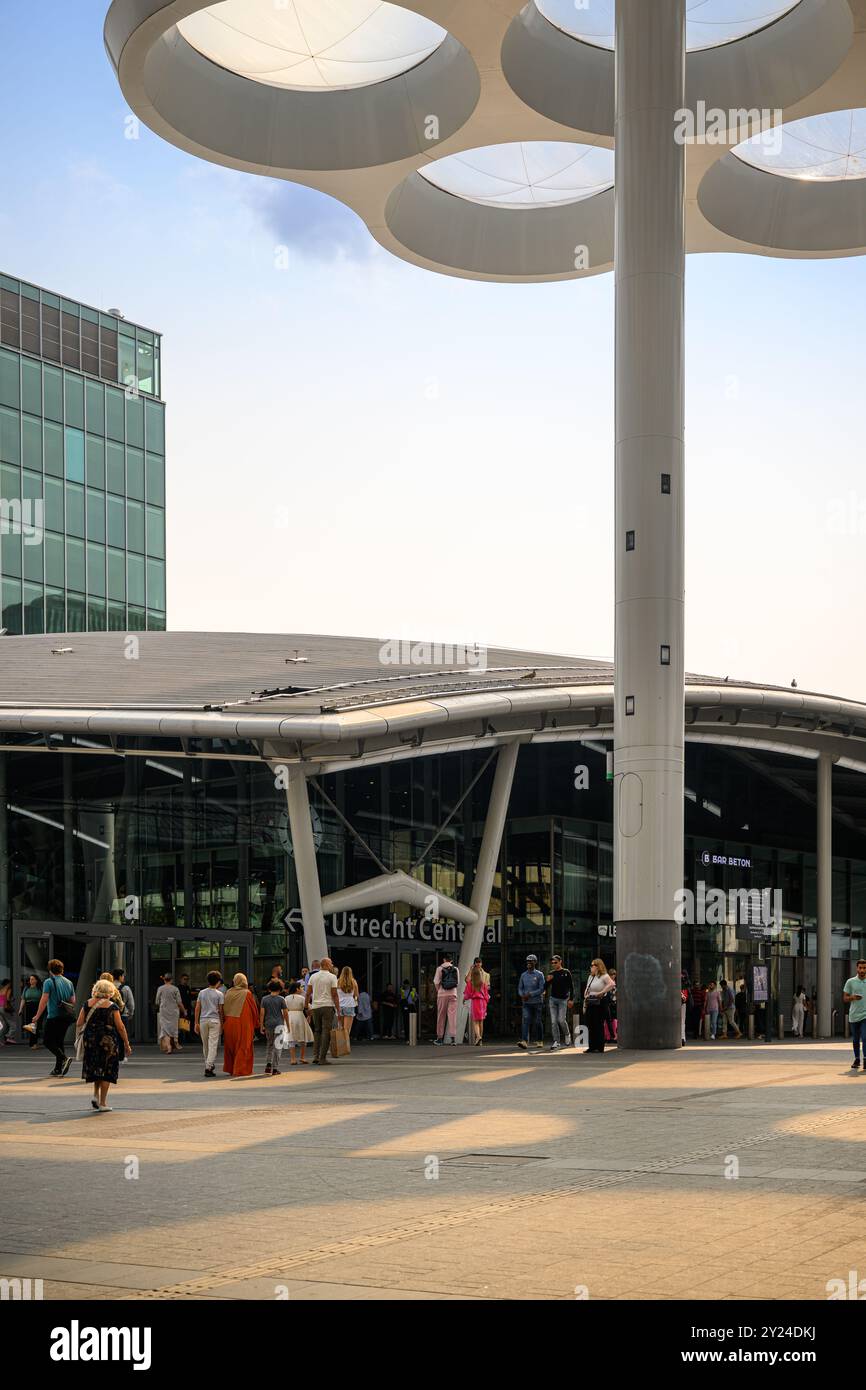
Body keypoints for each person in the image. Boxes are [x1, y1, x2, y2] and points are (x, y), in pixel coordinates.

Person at [76, 979, 132, 1112]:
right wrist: (126, 1043)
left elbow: (79, 1022)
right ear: (110, 991)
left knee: (96, 1067)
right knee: (107, 1070)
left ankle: (95, 1096)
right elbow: (120, 1027)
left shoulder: (87, 1004)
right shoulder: (112, 1006)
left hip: (90, 1040)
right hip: (108, 1042)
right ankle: (103, 1103)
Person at [27, 959, 76, 1076]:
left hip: (54, 1015)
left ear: (50, 970)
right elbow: (73, 1001)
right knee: (59, 1042)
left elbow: (44, 1000)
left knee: (47, 1041)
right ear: (62, 969)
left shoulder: (49, 982)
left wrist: (37, 1015)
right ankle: (58, 1069)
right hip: (66, 1016)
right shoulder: (69, 982)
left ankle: (63, 1058)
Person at [222, 973, 259, 1077]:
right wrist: (257, 1023)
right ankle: (240, 1070)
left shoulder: (228, 992)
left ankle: (230, 1068)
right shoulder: (247, 993)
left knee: (231, 1046)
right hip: (243, 1022)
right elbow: (253, 1009)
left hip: (229, 1022)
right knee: (243, 1045)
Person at [306, 957, 341, 1065]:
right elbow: (334, 994)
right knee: (326, 1031)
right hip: (327, 1006)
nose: (332, 965)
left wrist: (307, 1007)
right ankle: (322, 1058)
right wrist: (338, 1010)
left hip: (316, 1007)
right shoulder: (332, 977)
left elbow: (308, 993)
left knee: (317, 1031)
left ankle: (316, 1056)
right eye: (331, 963)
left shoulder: (313, 977)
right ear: (326, 964)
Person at [195, 970, 224, 1077]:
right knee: (213, 1045)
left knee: (205, 1045)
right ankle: (209, 1066)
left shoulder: (202, 993)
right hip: (215, 1021)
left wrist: (196, 1022)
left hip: (203, 1020)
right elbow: (220, 1010)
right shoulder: (220, 994)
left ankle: (208, 1065)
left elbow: (197, 1008)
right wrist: (222, 1023)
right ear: (218, 982)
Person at [583, 959, 615, 1054]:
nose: (591, 967)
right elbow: (587, 987)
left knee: (598, 1024)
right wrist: (586, 995)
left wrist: (602, 992)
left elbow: (612, 984)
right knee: (590, 1024)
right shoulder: (591, 977)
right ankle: (592, 1046)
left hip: (600, 1002)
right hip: (591, 1001)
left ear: (598, 966)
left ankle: (600, 1046)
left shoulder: (604, 976)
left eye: (592, 965)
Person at [260, 980, 290, 1076]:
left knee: (270, 1045)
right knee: (278, 1046)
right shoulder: (281, 999)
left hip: (268, 1024)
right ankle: (275, 1068)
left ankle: (268, 1064)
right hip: (279, 1024)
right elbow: (285, 1013)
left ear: (269, 988)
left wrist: (261, 1025)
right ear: (280, 989)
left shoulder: (264, 999)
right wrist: (288, 1025)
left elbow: (262, 1013)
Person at [517, 954, 546, 1051]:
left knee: (537, 1021)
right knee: (525, 1020)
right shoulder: (523, 975)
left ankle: (540, 1040)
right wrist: (522, 995)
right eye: (527, 961)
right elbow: (520, 988)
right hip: (526, 1003)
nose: (529, 963)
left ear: (535, 962)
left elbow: (542, 989)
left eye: (531, 961)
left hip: (537, 1002)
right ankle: (524, 1041)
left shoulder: (539, 974)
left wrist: (530, 994)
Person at [545, 955, 573, 1051]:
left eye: (555, 962)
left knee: (561, 1020)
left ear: (560, 962)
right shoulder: (551, 973)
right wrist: (547, 981)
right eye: (552, 963)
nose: (553, 964)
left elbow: (571, 986)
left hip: (563, 1000)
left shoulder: (566, 972)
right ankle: (556, 1041)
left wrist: (571, 999)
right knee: (553, 1022)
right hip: (553, 999)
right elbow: (546, 986)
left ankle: (567, 1034)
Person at [843, 959, 866, 1071]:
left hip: (865, 1016)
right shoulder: (850, 982)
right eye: (860, 968)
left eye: (864, 968)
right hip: (854, 1016)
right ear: (857, 968)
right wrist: (853, 997)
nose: (862, 970)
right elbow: (845, 998)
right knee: (856, 1039)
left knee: (865, 1037)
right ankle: (857, 1059)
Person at [433, 953, 460, 1046]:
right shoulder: (456, 969)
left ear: (444, 960)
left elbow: (436, 982)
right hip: (453, 994)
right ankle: (453, 1039)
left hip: (442, 994)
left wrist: (439, 990)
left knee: (441, 1016)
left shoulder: (439, 969)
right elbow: (458, 982)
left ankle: (440, 1038)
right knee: (452, 1016)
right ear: (451, 960)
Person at [155, 973, 185, 1053]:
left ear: (164, 980)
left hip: (164, 1011)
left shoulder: (160, 988)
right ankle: (175, 1040)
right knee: (174, 1028)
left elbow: (157, 1001)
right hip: (174, 1011)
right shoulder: (175, 989)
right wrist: (184, 1010)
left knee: (165, 1029)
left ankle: (168, 1047)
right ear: (171, 980)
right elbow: (179, 1002)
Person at [283, 981, 312, 1064]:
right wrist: (309, 1016)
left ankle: (293, 1059)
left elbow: (284, 1010)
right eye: (300, 987)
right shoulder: (302, 998)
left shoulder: (286, 998)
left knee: (291, 1037)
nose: (301, 989)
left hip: (290, 1016)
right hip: (300, 1016)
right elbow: (308, 1008)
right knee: (303, 1036)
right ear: (297, 989)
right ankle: (302, 1057)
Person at [463, 964, 489, 1046]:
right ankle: (480, 1040)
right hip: (482, 1003)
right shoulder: (483, 984)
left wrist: (464, 999)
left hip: (475, 1002)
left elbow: (467, 995)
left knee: (475, 1022)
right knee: (481, 1021)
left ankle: (478, 1036)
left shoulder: (470, 984)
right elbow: (486, 995)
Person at [19, 974, 43, 1048]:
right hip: (28, 1007)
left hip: (37, 1006)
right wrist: (20, 1009)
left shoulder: (40, 988)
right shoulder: (26, 988)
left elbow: (44, 999)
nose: (30, 981)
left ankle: (34, 1043)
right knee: (30, 1025)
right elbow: (23, 999)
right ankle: (33, 1042)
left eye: (32, 979)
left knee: (35, 1025)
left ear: (36, 980)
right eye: (30, 979)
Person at [337, 967, 359, 1039]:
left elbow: (334, 994)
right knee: (347, 1030)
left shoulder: (337, 981)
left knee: (340, 1028)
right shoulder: (353, 982)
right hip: (349, 1005)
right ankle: (345, 1047)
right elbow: (356, 995)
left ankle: (340, 1046)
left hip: (339, 1006)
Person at [0, 979, 16, 1044]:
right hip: (4, 1008)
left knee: (4, 1025)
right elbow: (8, 999)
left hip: (0, 1008)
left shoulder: (0, 990)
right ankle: (9, 1037)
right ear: (8, 984)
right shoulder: (8, 990)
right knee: (13, 1025)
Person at [605, 967, 618, 1044]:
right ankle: (608, 1036)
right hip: (608, 1003)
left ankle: (614, 1036)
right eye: (611, 974)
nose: (613, 975)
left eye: (614, 974)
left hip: (614, 1003)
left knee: (614, 1020)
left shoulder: (615, 983)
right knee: (608, 1020)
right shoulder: (608, 983)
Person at [178, 974, 193, 1039]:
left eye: (187, 979)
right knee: (181, 1022)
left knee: (187, 1022)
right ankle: (181, 1037)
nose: (186, 981)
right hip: (181, 1008)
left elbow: (189, 998)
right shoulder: (178, 988)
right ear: (181, 979)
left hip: (188, 1007)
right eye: (184, 979)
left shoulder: (187, 988)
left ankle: (187, 1036)